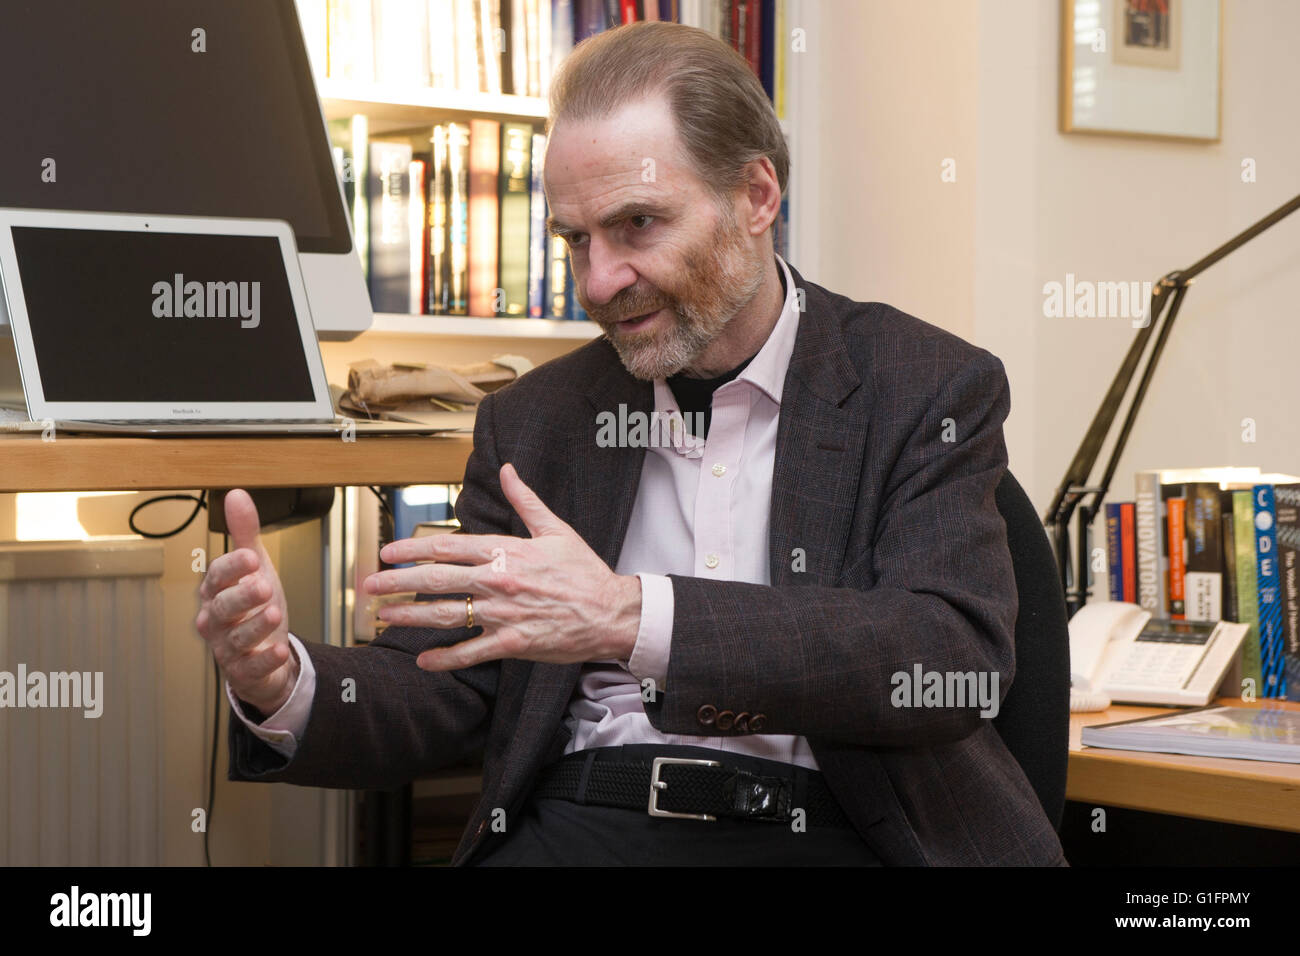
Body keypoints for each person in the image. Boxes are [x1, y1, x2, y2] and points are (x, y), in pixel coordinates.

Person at [196, 21, 1066, 866]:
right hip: (588, 819)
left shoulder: (922, 385)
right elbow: (453, 681)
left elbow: (947, 654)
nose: (600, 280)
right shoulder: (535, 421)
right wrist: (286, 682)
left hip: (837, 826)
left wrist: (630, 616)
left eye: (638, 224)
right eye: (575, 239)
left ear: (756, 197)